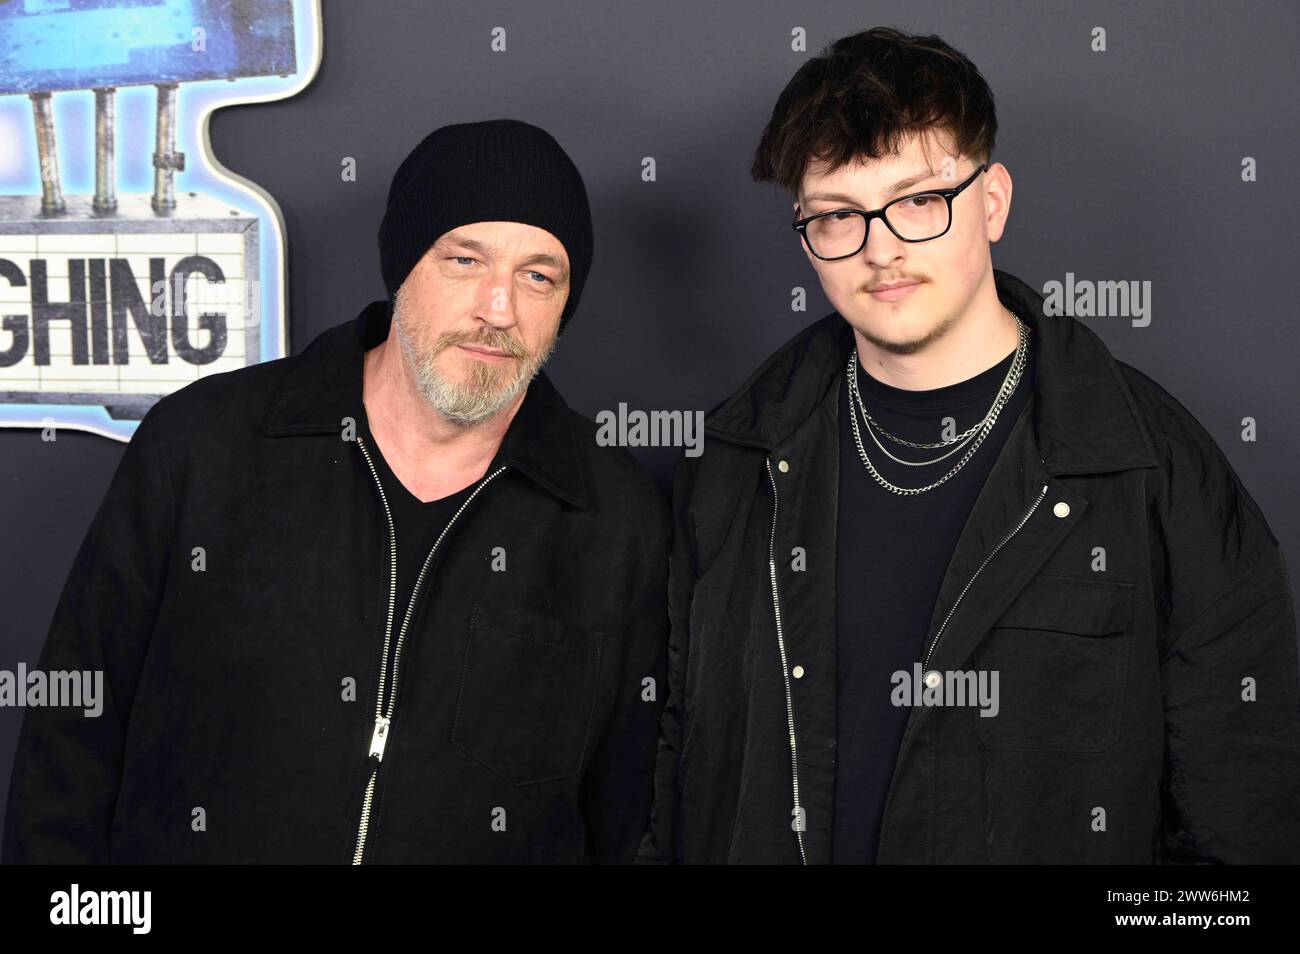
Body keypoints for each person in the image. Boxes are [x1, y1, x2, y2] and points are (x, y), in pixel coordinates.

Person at [638, 28, 1300, 864]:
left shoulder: (1150, 467)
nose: (881, 249)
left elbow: (1244, 818)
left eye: (918, 200)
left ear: (991, 202)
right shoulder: (733, 460)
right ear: (806, 236)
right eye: (838, 215)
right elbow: (676, 767)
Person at [4, 118, 670, 864]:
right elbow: (69, 751)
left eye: (538, 276)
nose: (499, 308)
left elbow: (625, 816)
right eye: (464, 260)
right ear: (403, 267)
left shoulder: (617, 519)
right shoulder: (204, 443)